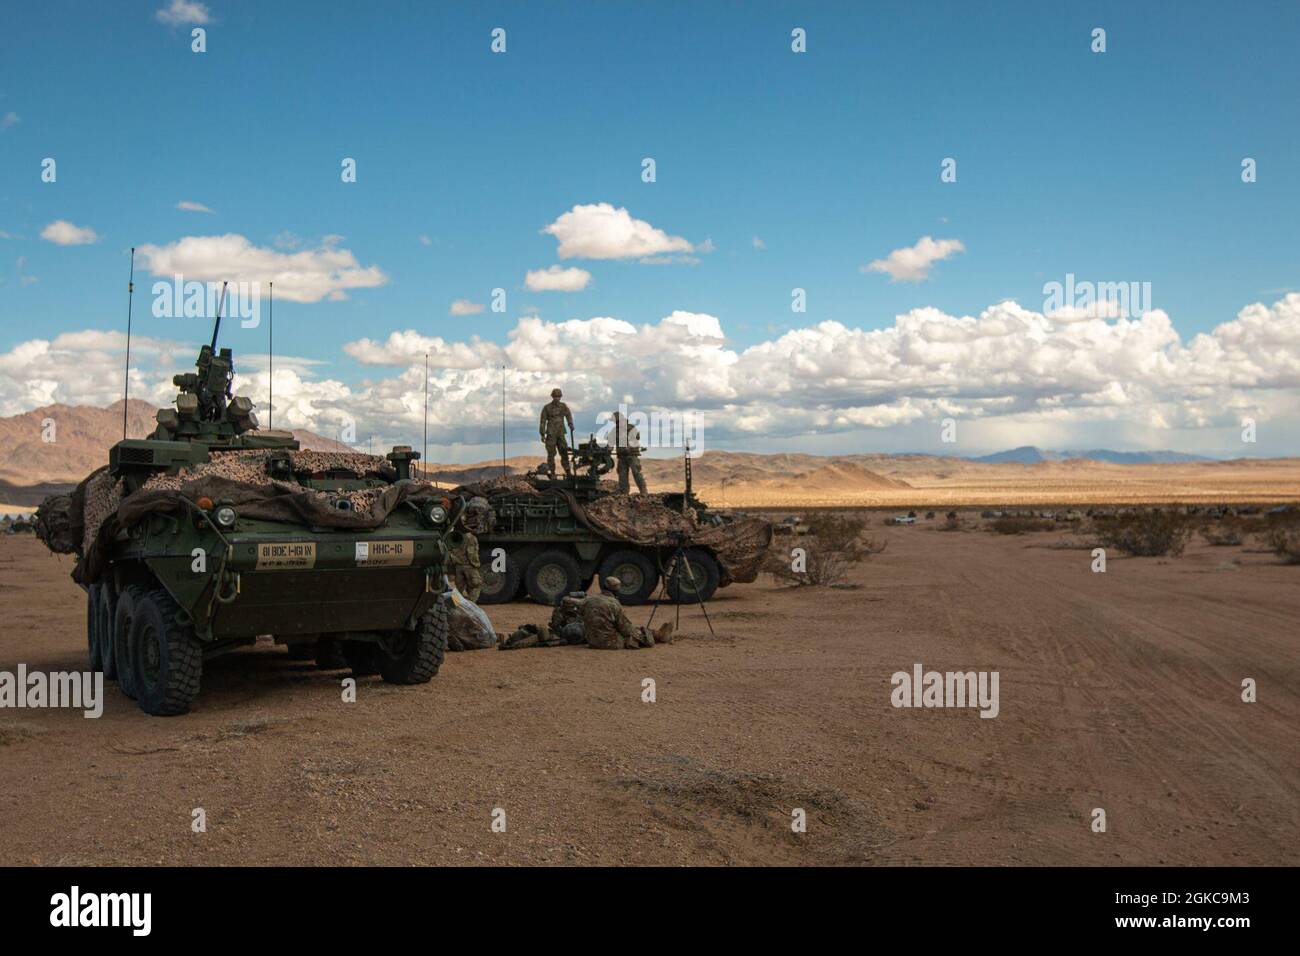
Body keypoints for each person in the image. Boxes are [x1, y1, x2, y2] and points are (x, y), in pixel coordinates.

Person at [498, 579, 672, 649]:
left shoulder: (588, 601)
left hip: (590, 641)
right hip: (610, 644)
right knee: (634, 634)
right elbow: (626, 630)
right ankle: (657, 635)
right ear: (617, 591)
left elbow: (579, 614)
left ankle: (656, 634)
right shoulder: (615, 604)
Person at [539, 388, 575, 478]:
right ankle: (552, 472)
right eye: (555, 396)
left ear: (560, 397)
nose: (557, 398)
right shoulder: (547, 408)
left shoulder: (563, 406)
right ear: (552, 397)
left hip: (561, 433)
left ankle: (568, 472)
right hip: (551, 434)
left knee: (564, 452)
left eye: (558, 396)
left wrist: (570, 424)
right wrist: (542, 433)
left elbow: (568, 415)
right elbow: (542, 421)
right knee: (551, 454)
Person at [612, 410, 648, 495]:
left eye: (616, 421)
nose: (616, 423)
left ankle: (643, 491)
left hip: (631, 454)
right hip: (622, 456)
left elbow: (637, 437)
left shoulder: (630, 427)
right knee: (622, 474)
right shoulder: (615, 430)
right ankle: (623, 492)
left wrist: (629, 445)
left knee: (636, 473)